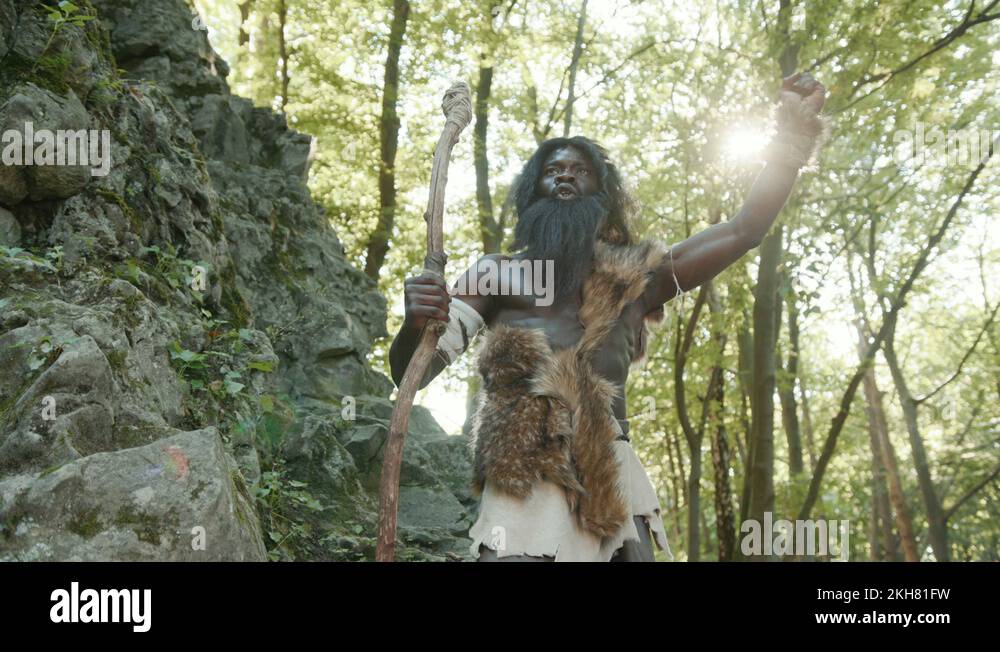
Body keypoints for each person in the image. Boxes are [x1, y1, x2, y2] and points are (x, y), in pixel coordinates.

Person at [389, 72, 827, 561]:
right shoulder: (495, 274)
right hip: (523, 466)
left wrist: (793, 131)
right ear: (533, 194)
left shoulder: (637, 278)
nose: (565, 176)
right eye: (552, 171)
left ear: (602, 192)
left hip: (612, 472)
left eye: (581, 170)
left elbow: (745, 229)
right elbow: (416, 372)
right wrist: (415, 322)